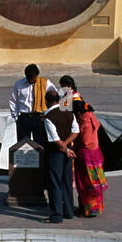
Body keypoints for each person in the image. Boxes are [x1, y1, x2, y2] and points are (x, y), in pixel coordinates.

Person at [42, 91, 78, 223]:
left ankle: (57, 214)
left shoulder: (49, 117)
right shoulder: (69, 113)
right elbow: (75, 131)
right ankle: (68, 211)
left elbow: (55, 140)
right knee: (66, 182)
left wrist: (65, 149)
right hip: (67, 154)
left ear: (46, 101)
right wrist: (68, 147)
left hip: (55, 154)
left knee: (55, 183)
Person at [72, 100, 107, 217]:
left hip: (86, 156)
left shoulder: (84, 121)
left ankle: (88, 209)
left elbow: (85, 141)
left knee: (86, 183)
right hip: (95, 154)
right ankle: (96, 208)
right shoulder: (91, 117)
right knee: (95, 182)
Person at [8, 63, 56, 144]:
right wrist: (16, 117)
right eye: (29, 78)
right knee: (22, 144)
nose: (31, 80)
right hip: (24, 117)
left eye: (33, 78)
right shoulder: (19, 84)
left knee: (40, 143)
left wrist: (48, 114)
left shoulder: (45, 83)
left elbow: (55, 97)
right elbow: (13, 101)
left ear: (37, 75)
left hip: (39, 117)